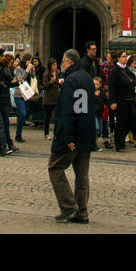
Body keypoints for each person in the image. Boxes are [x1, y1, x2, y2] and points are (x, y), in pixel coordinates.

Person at [48, 48, 96, 224]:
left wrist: (67, 138)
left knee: (55, 167)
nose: (61, 64)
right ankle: (82, 212)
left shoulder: (70, 80)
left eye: (63, 60)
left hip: (71, 134)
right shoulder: (87, 78)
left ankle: (68, 207)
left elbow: (68, 111)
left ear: (69, 61)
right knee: (82, 174)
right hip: (86, 133)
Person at [108, 51, 135, 152]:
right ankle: (119, 144)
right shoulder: (114, 71)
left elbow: (133, 78)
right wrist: (113, 101)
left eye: (126, 57)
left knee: (130, 121)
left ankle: (121, 139)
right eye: (123, 57)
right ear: (118, 58)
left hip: (129, 99)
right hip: (120, 100)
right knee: (121, 122)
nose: (125, 59)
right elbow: (112, 87)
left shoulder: (126, 69)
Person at [42, 58, 60, 139]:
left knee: (57, 117)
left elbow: (58, 83)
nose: (55, 66)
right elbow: (45, 85)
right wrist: (51, 82)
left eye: (56, 65)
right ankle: (46, 133)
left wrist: (59, 82)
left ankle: (56, 133)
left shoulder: (58, 73)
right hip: (48, 98)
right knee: (48, 117)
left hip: (56, 97)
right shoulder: (46, 74)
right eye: (53, 65)